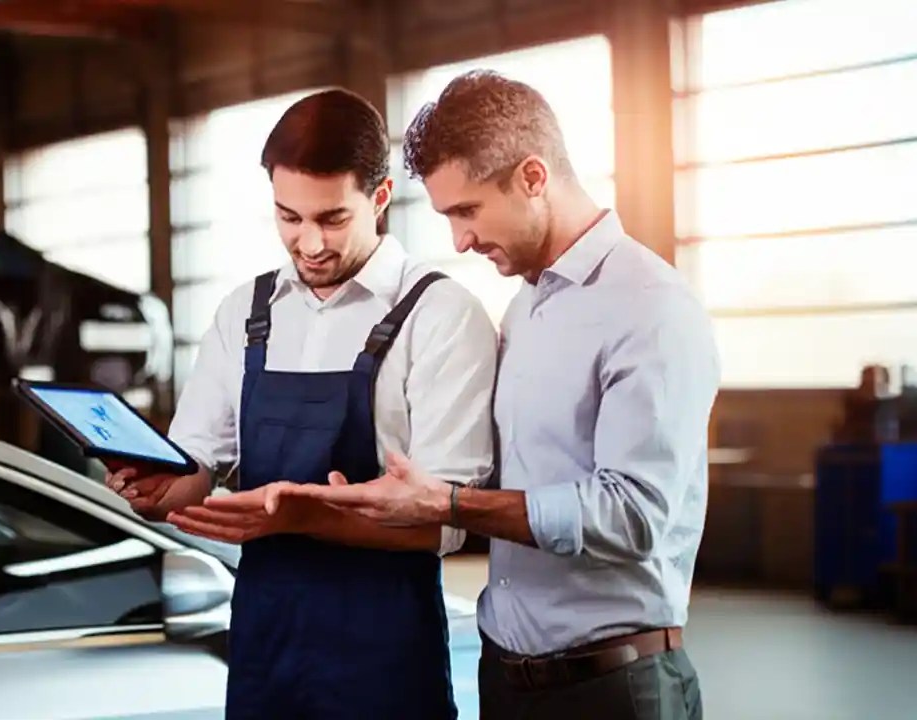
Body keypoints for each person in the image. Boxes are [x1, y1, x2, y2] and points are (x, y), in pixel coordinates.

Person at [250, 71, 719, 720]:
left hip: (615, 689)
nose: (459, 241)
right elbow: (512, 481)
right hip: (507, 679)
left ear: (532, 177)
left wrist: (446, 501)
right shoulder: (525, 310)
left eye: (466, 211)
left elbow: (634, 516)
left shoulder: (650, 308)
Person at [105, 87, 497, 719]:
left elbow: (444, 523)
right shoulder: (245, 313)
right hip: (265, 655)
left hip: (385, 664)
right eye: (289, 217)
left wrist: (298, 517)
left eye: (331, 219)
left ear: (380, 197)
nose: (309, 243)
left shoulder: (442, 316)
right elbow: (196, 466)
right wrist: (157, 487)